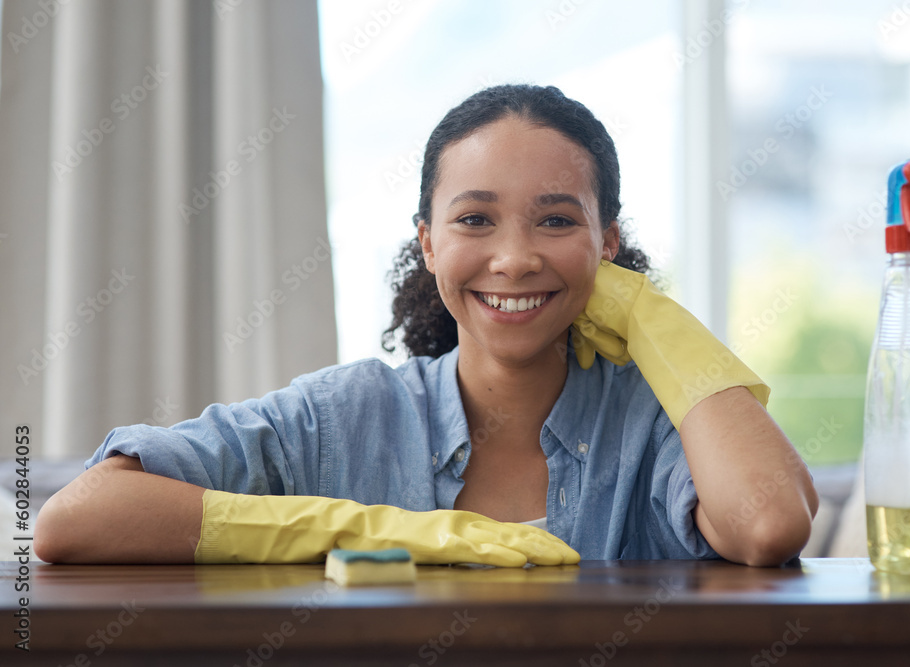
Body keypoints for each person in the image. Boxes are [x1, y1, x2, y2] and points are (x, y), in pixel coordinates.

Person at [35, 84, 818, 567]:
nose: (512, 259)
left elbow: (770, 522)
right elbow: (74, 519)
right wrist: (361, 526)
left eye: (555, 220)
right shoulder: (342, 417)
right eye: (475, 218)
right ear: (429, 242)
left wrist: (644, 313)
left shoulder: (651, 426)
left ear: (605, 243)